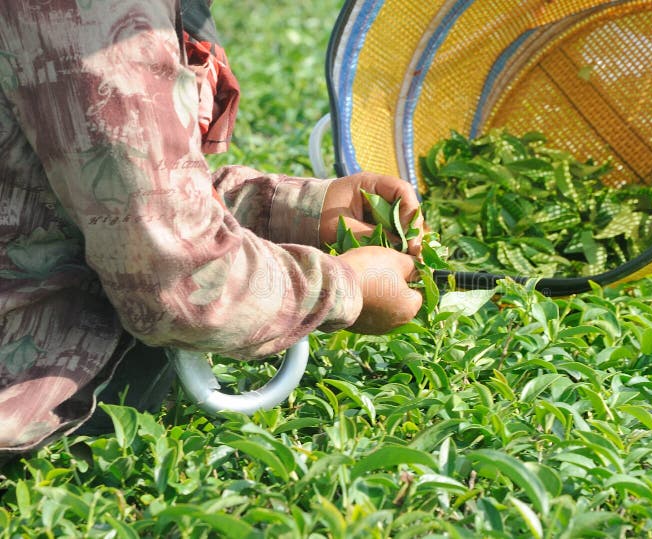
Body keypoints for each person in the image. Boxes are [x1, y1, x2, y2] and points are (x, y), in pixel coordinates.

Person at [0, 0, 423, 455]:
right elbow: (179, 285)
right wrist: (347, 288)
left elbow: (101, 199)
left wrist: (294, 209)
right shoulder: (101, 16)